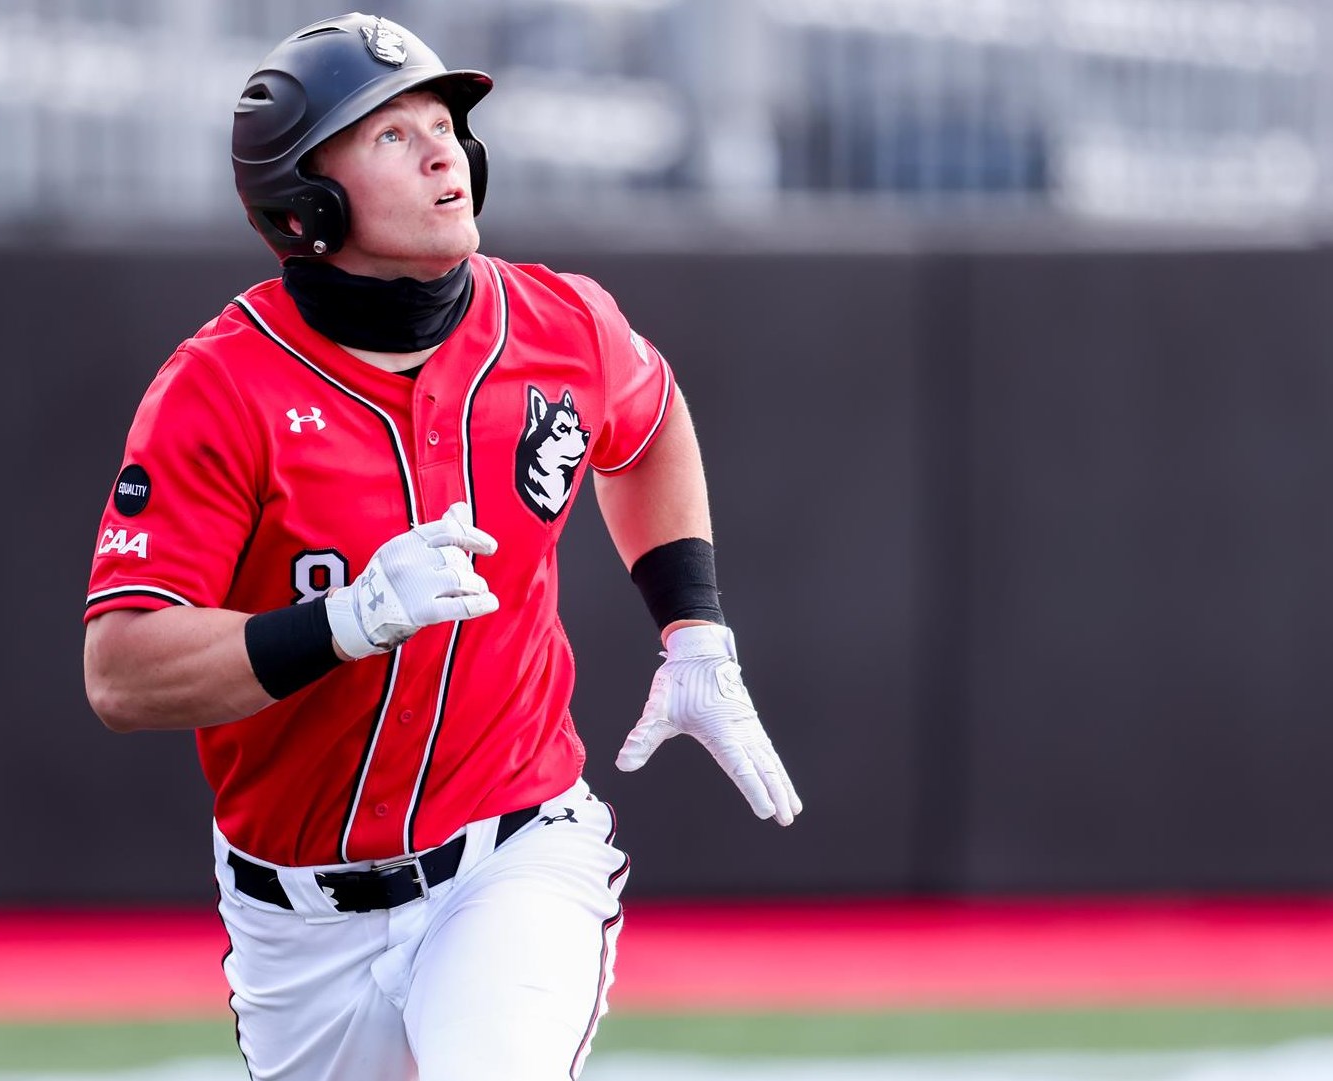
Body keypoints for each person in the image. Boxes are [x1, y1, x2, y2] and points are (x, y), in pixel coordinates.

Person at [82, 13, 801, 1080]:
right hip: (297, 920)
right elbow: (123, 672)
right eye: (388, 135)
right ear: (307, 201)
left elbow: (649, 425)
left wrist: (696, 630)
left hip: (512, 854)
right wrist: (348, 622)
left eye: (445, 124)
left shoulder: (561, 322)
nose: (442, 153)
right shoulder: (219, 387)